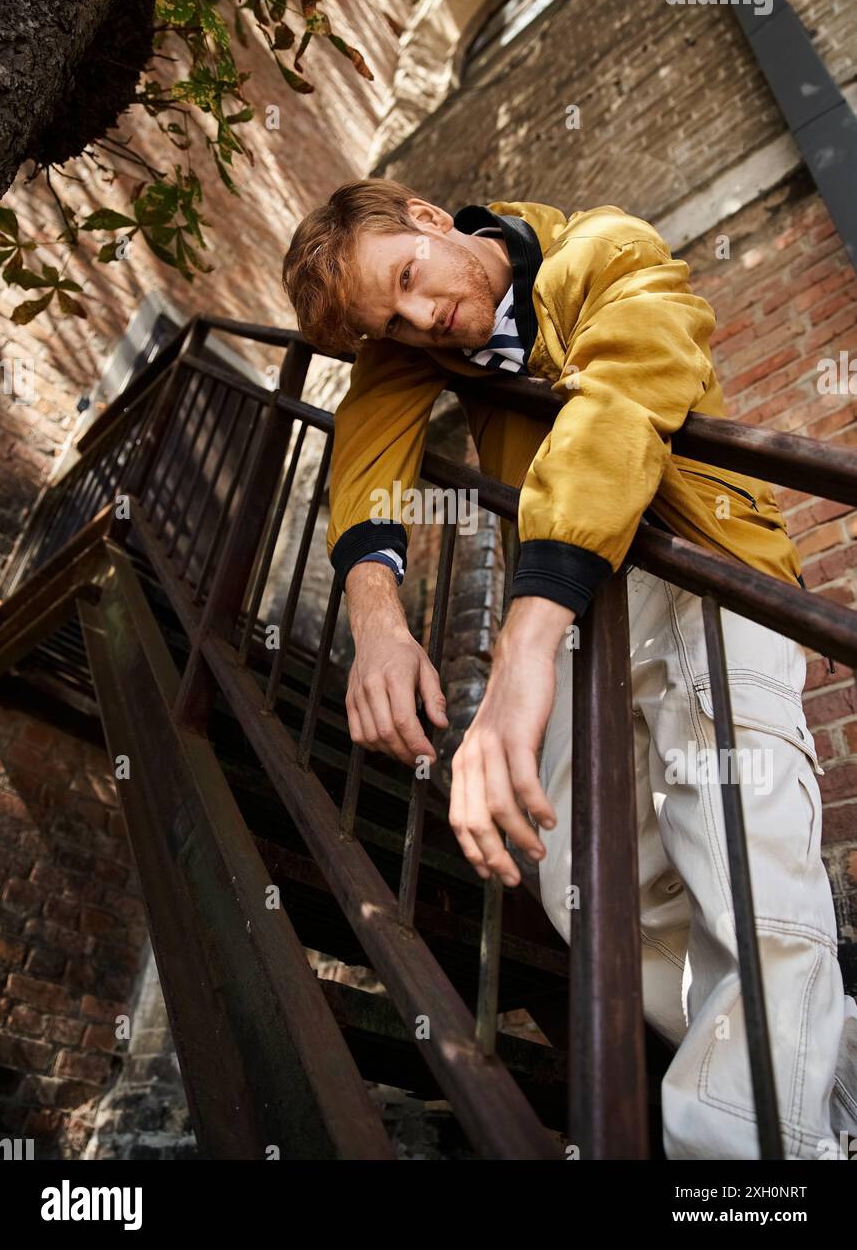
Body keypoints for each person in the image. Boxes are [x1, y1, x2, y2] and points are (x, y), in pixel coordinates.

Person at [282, 177, 857, 1159]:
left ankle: (751, 1164)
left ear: (428, 216)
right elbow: (366, 454)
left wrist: (521, 647)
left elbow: (616, 410)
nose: (424, 320)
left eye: (412, 279)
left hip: (700, 575)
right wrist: (377, 623)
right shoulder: (417, 340)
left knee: (741, 857)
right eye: (396, 320)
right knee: (579, 890)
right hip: (583, 617)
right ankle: (825, 1091)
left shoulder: (602, 248)